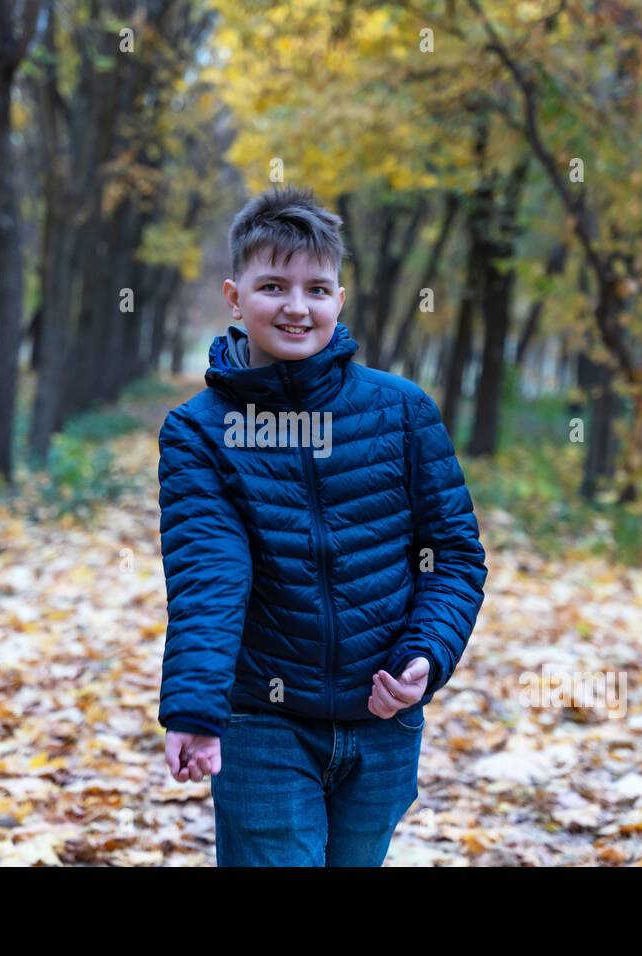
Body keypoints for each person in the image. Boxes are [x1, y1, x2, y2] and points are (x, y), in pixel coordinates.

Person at [157, 185, 488, 866]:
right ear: (234, 295)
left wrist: (425, 655)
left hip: (383, 723)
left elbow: (453, 555)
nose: (296, 306)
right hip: (263, 724)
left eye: (317, 288)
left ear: (341, 299)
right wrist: (195, 709)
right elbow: (210, 575)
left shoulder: (402, 412)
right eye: (273, 285)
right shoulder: (199, 433)